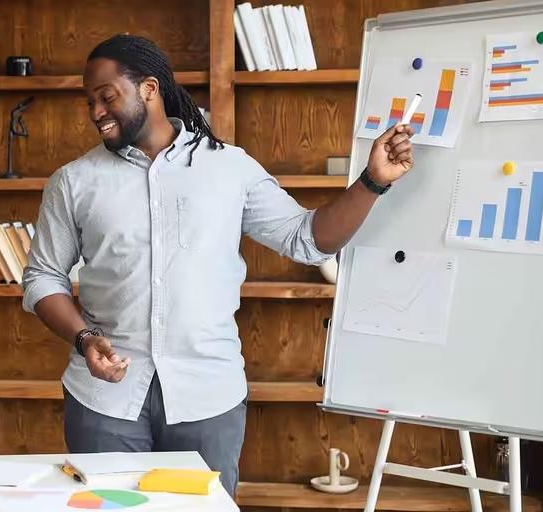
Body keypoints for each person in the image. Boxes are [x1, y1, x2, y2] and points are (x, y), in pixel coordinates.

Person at [21, 34, 415, 496]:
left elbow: (307, 240)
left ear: (149, 88)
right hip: (104, 401)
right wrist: (85, 338)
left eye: (107, 97)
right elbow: (43, 276)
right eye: (89, 102)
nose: (96, 113)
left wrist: (372, 182)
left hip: (208, 396)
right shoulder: (73, 182)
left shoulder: (229, 167)